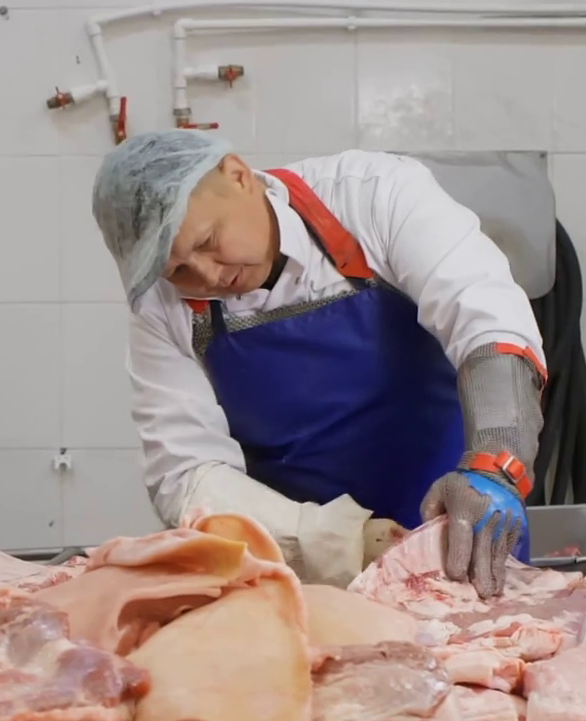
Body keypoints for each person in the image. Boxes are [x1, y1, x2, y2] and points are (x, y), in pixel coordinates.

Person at [91, 131, 546, 596]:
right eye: (178, 270)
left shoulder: (373, 195)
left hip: (463, 536)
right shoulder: (159, 308)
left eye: (208, 240)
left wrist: (495, 462)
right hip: (303, 575)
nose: (208, 275)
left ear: (238, 175)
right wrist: (345, 542)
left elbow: (488, 321)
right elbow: (187, 474)